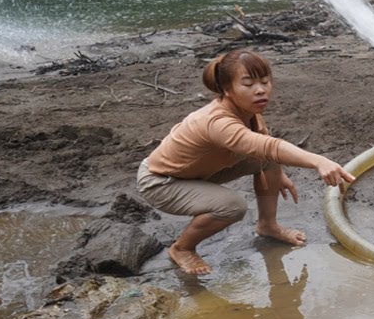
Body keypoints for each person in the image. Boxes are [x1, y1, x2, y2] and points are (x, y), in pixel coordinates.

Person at [135, 49, 355, 275]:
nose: (260, 90)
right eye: (248, 84)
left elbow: (266, 146)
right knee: (232, 206)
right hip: (162, 182)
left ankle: (268, 226)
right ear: (227, 90)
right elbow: (269, 146)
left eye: (265, 82)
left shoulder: (248, 111)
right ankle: (182, 248)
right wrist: (318, 161)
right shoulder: (217, 121)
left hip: (199, 172)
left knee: (267, 160)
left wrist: (277, 174)